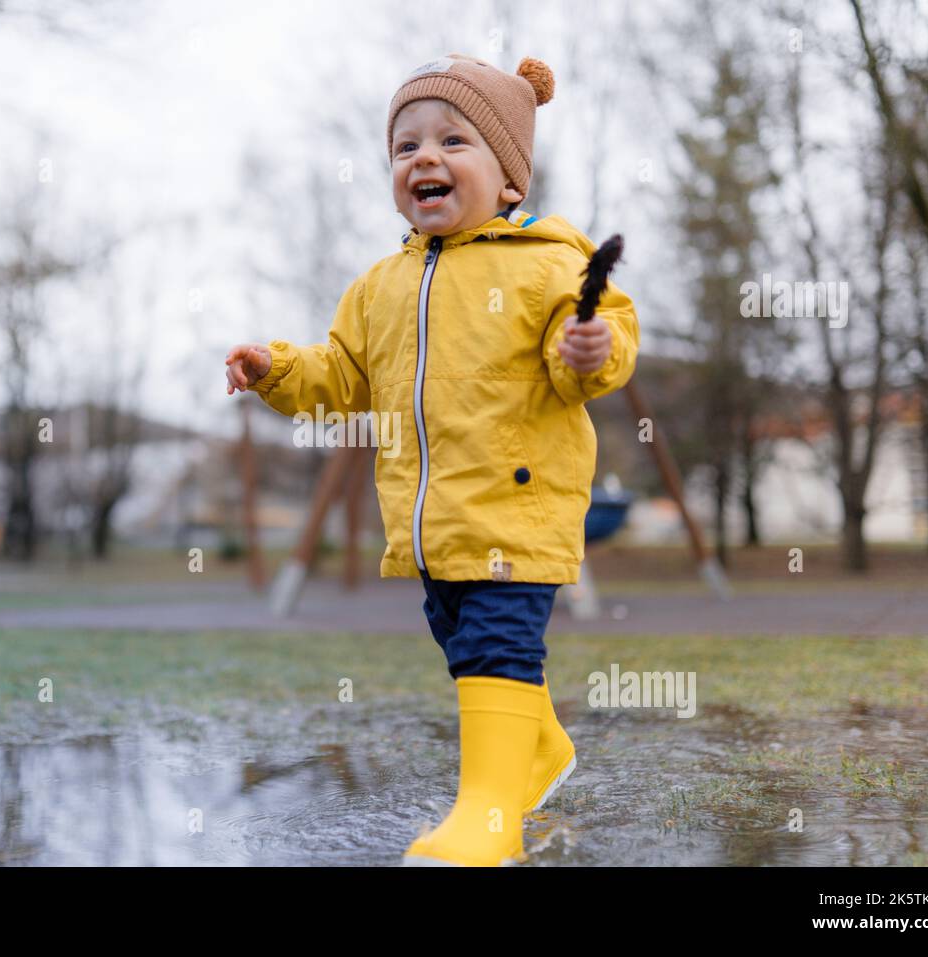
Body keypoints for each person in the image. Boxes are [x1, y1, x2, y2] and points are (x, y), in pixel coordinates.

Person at [224, 53, 639, 866]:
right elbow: (341, 377)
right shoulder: (379, 287)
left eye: (455, 139)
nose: (425, 157)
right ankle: (542, 746)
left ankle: (490, 816)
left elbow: (589, 351)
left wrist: (591, 347)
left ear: (510, 180)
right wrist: (277, 369)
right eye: (405, 145)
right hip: (429, 521)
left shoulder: (549, 263)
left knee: (496, 648)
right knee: (460, 641)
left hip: (519, 508)